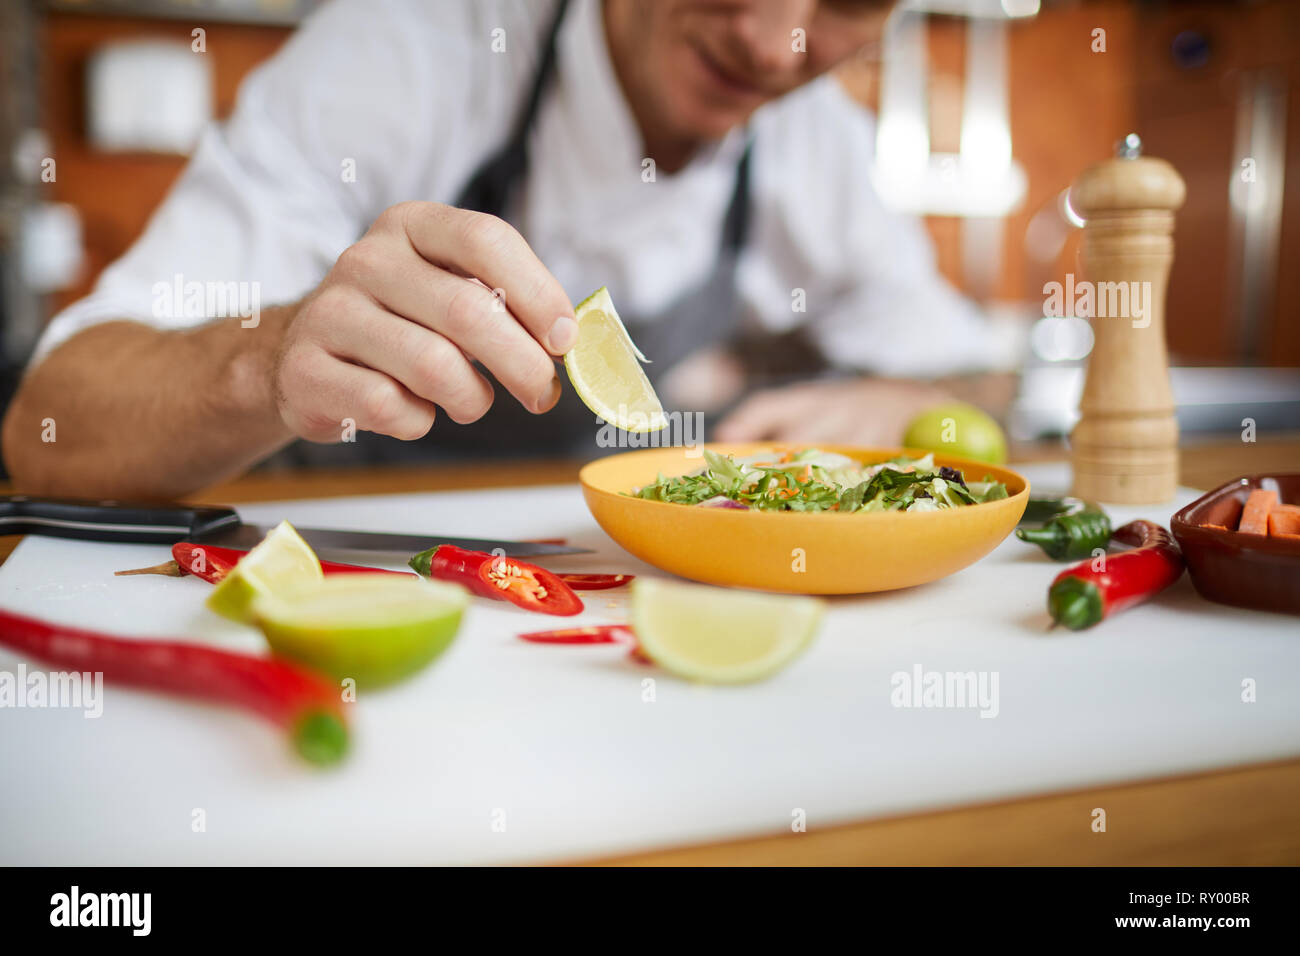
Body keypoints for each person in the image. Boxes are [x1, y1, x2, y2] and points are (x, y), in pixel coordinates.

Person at [3, 0, 1003, 499]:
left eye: (848, 2)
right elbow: (47, 425)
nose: (775, 43)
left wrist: (925, 400)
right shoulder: (406, 52)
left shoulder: (811, 137)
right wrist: (270, 359)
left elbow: (979, 374)